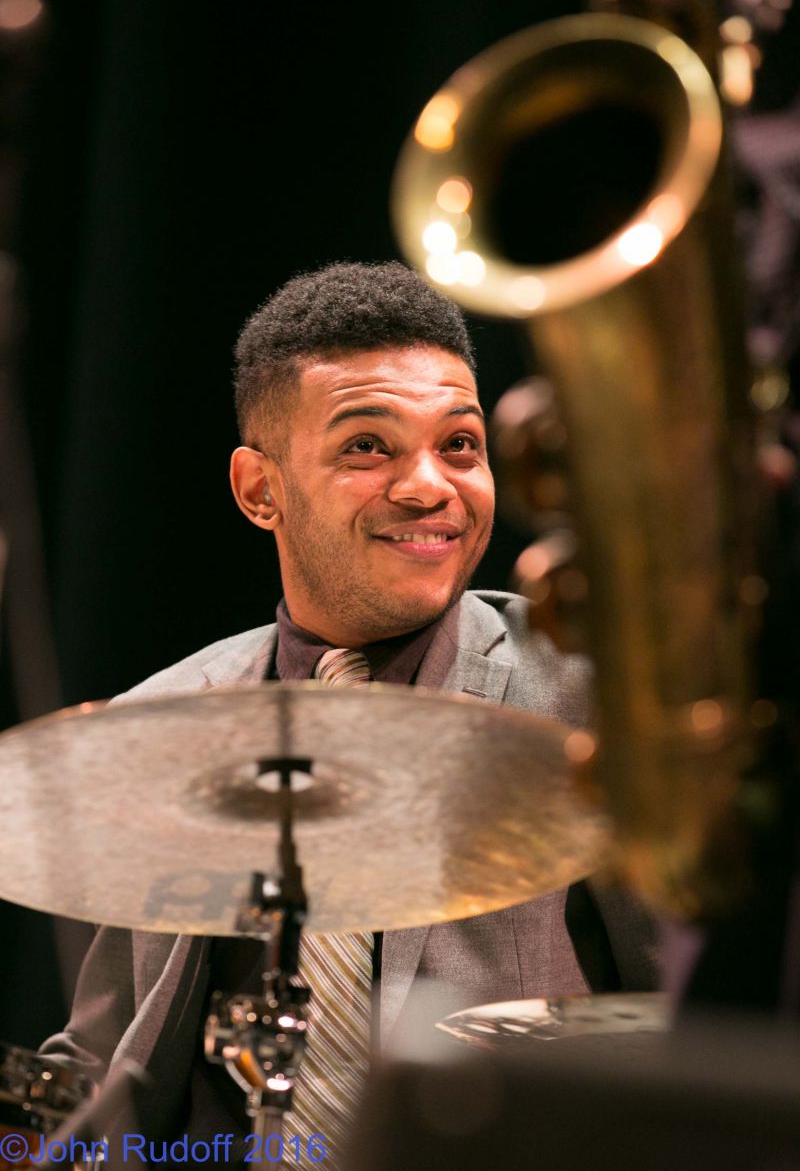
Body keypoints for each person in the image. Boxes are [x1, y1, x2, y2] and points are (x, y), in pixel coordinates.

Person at [41, 261, 657, 1167]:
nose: (428, 486)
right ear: (261, 490)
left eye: (460, 444)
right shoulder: (162, 720)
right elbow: (100, 1064)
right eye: (368, 447)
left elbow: (704, 1018)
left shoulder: (587, 689)